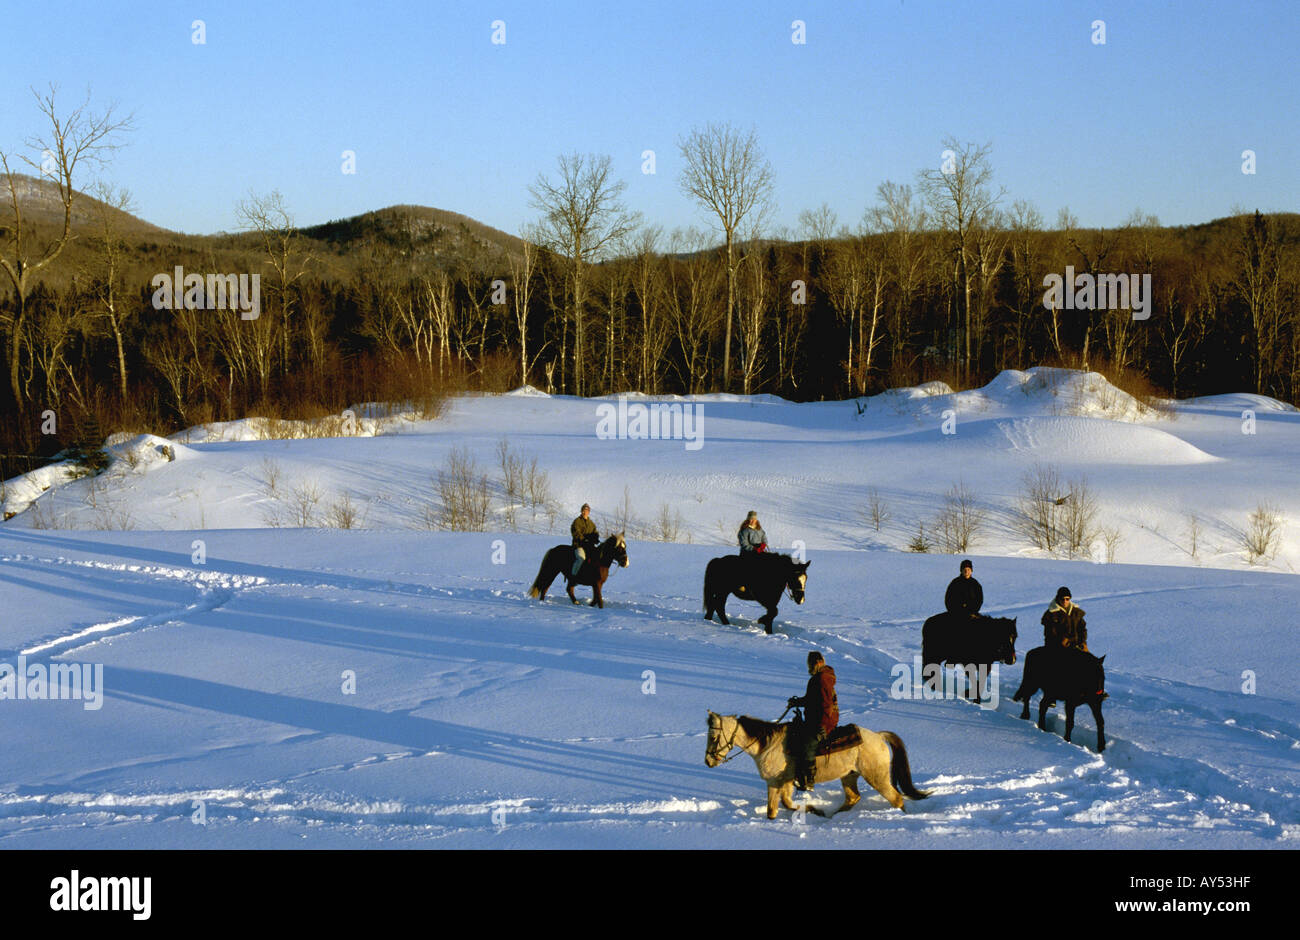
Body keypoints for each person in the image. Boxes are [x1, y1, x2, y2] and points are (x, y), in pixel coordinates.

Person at [786, 651, 838, 791]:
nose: (810, 666)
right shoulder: (818, 677)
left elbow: (827, 705)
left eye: (812, 663)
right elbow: (812, 700)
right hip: (814, 720)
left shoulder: (822, 678)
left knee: (807, 744)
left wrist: (822, 726)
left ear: (819, 663)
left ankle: (809, 780)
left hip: (823, 722)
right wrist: (797, 702)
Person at [1041, 586, 1087, 652]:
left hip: (1076, 644)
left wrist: (1082, 642)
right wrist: (1062, 640)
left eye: (1067, 599)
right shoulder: (1051, 614)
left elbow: (1082, 629)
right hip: (1057, 646)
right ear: (1058, 599)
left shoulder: (1076, 612)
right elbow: (1049, 634)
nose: (1065, 601)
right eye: (1062, 599)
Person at [570, 503, 598, 577]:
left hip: (589, 545)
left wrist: (596, 538)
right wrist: (583, 539)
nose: (584, 512)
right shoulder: (577, 521)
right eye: (583, 510)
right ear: (581, 511)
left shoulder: (591, 523)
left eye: (586, 510)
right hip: (578, 545)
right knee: (581, 559)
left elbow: (595, 532)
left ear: (588, 512)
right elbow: (576, 533)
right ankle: (573, 576)